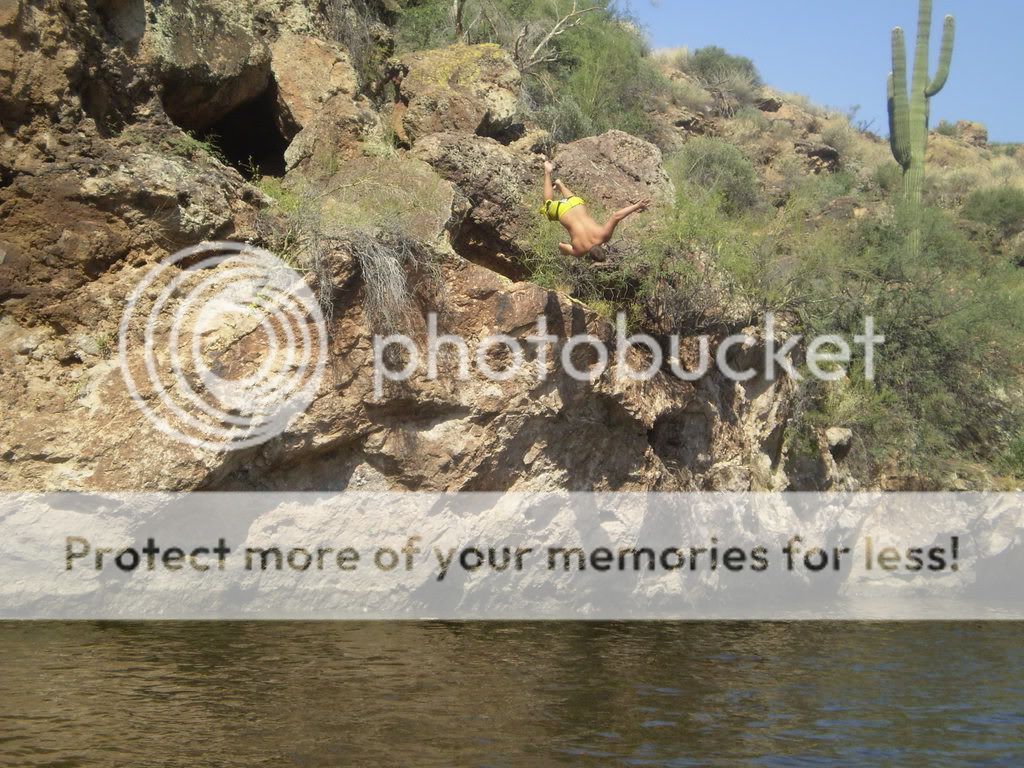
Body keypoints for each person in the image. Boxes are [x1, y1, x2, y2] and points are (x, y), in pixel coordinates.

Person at [540, 160, 651, 258]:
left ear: (603, 248)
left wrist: (636, 206)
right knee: (548, 204)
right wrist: (565, 251)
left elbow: (616, 216)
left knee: (572, 200)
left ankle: (560, 185)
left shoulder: (604, 236)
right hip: (562, 210)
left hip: (577, 203)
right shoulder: (579, 251)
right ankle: (547, 171)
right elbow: (561, 245)